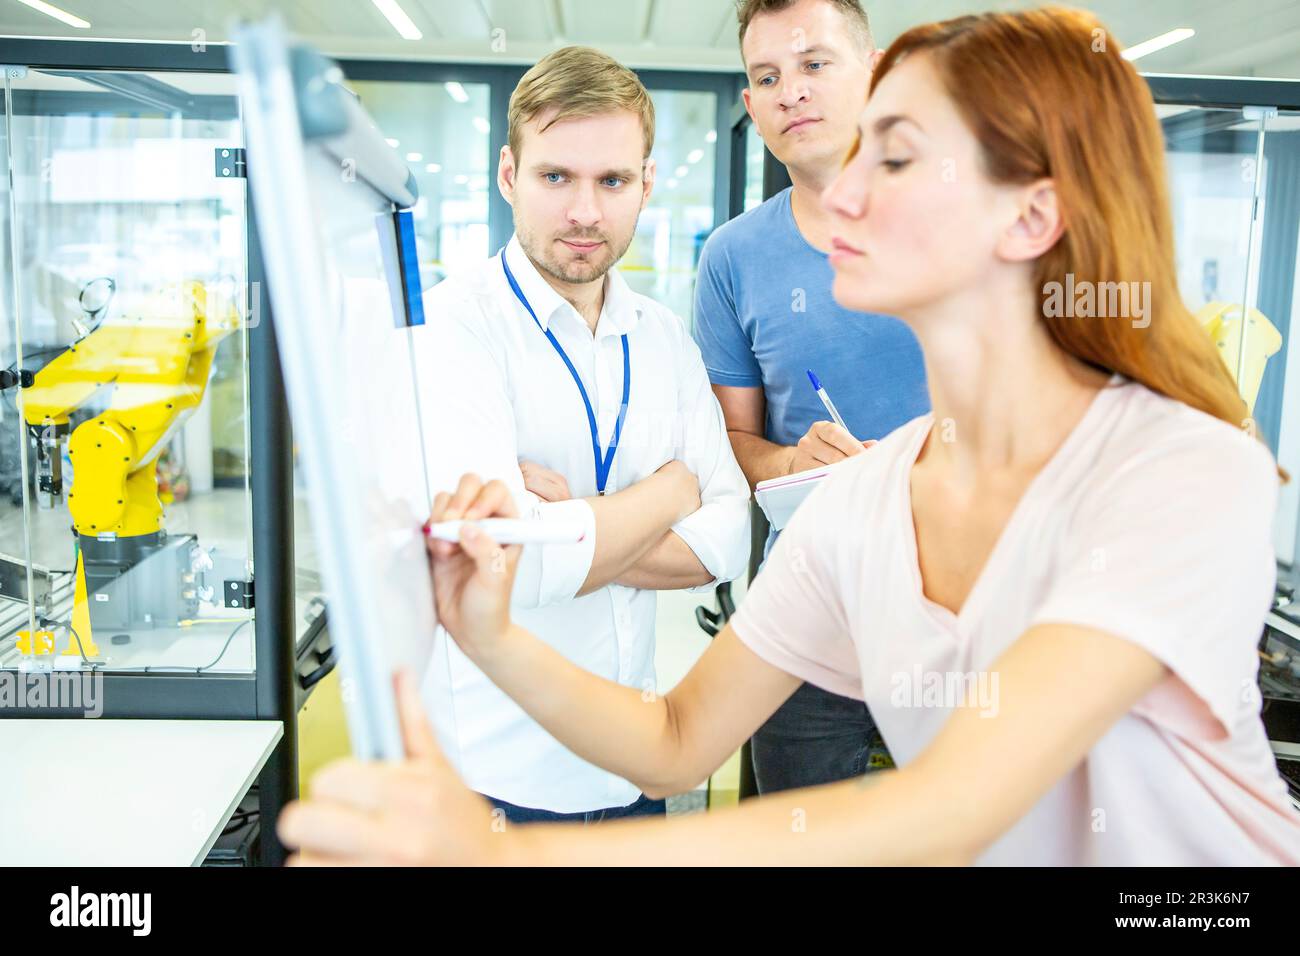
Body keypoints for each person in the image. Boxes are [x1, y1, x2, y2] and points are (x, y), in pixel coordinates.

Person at [281, 8, 1300, 864]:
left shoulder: (1180, 469)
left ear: (1030, 218)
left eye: (894, 156)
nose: (841, 187)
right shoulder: (861, 497)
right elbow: (677, 738)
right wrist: (490, 629)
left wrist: (500, 854)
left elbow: (954, 801)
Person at [410, 46, 750, 822]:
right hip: (498, 783)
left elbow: (727, 542)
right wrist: (668, 492)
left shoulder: (664, 341)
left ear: (647, 184)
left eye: (612, 181)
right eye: (555, 176)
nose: (586, 213)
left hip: (634, 769)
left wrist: (570, 526)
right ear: (508, 175)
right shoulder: (451, 328)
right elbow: (508, 567)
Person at [694, 0, 930, 794]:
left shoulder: (967, 219)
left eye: (815, 63)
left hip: (962, 618)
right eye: (767, 77)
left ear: (876, 70)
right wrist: (791, 460)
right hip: (805, 622)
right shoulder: (732, 258)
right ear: (752, 106)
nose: (791, 91)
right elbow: (734, 442)